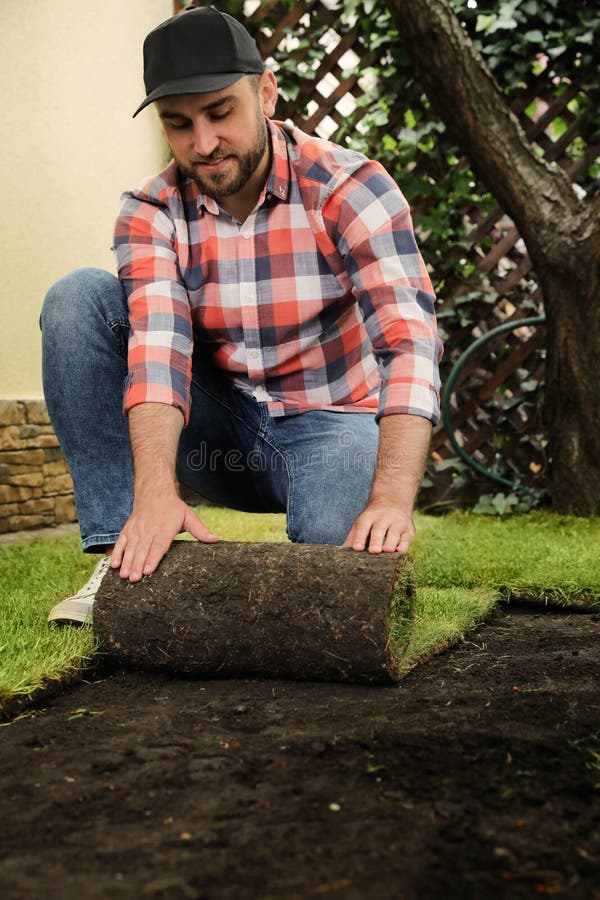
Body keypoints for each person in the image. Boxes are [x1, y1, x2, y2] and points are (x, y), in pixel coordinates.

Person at [42, 5, 442, 626]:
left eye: (220, 113)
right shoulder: (151, 210)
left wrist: (391, 500)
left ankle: (343, 532)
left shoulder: (349, 187)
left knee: (338, 573)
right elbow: (157, 348)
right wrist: (153, 495)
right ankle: (121, 562)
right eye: (179, 125)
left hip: (328, 423)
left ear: (265, 91)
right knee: (79, 299)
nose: (203, 145)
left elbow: (408, 343)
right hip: (215, 428)